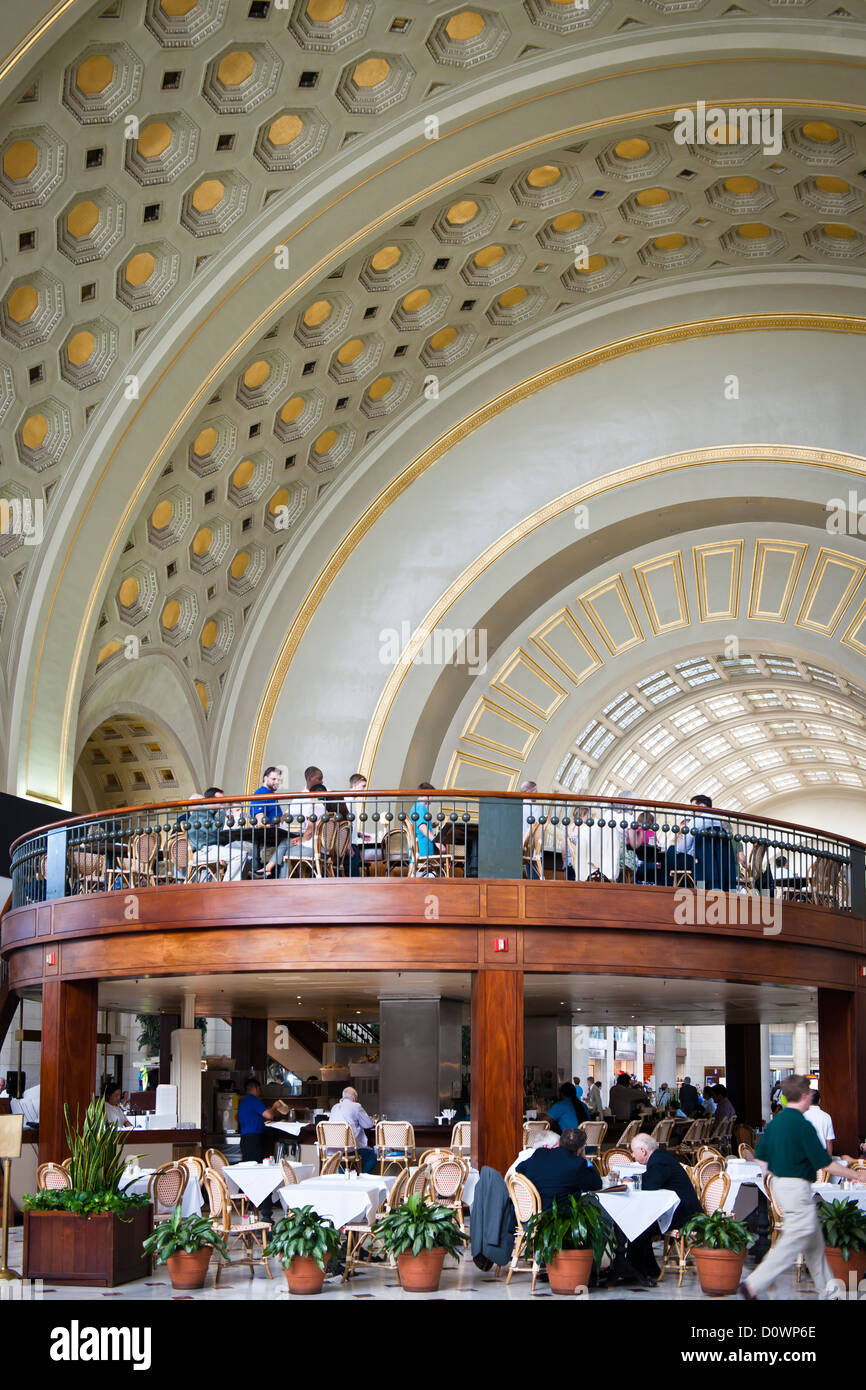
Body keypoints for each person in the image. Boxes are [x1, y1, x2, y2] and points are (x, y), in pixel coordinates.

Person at [741, 1074, 866, 1300]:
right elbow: (826, 1163)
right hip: (797, 1187)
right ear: (804, 1096)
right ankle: (753, 1284)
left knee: (815, 1243)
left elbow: (759, 1158)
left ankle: (831, 1292)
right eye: (809, 1094)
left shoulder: (775, 1122)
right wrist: (857, 1175)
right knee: (795, 1239)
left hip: (780, 1186)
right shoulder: (802, 1125)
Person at [627, 1133, 701, 1280]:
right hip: (679, 1209)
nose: (633, 1156)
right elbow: (651, 1177)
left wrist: (633, 1181)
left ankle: (637, 1269)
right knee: (640, 1222)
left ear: (643, 1151)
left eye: (633, 1152)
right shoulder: (660, 1157)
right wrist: (635, 1179)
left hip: (684, 1215)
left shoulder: (658, 1161)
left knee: (639, 1224)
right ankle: (645, 1268)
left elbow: (651, 1184)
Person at [516, 1127, 602, 1209]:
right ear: (580, 1149)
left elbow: (519, 1169)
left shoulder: (540, 1153)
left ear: (561, 1142)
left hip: (531, 1212)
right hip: (558, 1219)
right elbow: (597, 1184)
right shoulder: (577, 1164)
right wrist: (584, 1158)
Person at [185, 787, 253, 881]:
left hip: (210, 849)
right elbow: (214, 831)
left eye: (223, 800)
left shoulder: (209, 813)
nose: (223, 803)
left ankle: (234, 885)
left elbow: (214, 834)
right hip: (202, 851)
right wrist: (221, 812)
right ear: (209, 800)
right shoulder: (201, 811)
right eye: (220, 800)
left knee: (248, 859)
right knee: (240, 855)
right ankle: (227, 887)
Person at [328, 1086, 377, 1173]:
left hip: (333, 1150)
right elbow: (368, 1125)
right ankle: (360, 1177)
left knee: (344, 1155)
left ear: (342, 1098)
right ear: (354, 1098)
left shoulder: (334, 1107)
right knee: (373, 1155)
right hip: (350, 1148)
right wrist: (372, 1120)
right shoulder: (356, 1106)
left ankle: (345, 1175)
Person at [804, 1090, 835, 1154]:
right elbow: (829, 1141)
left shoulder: (802, 1116)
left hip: (805, 1154)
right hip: (821, 1153)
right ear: (819, 1101)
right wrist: (829, 1160)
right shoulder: (826, 1116)